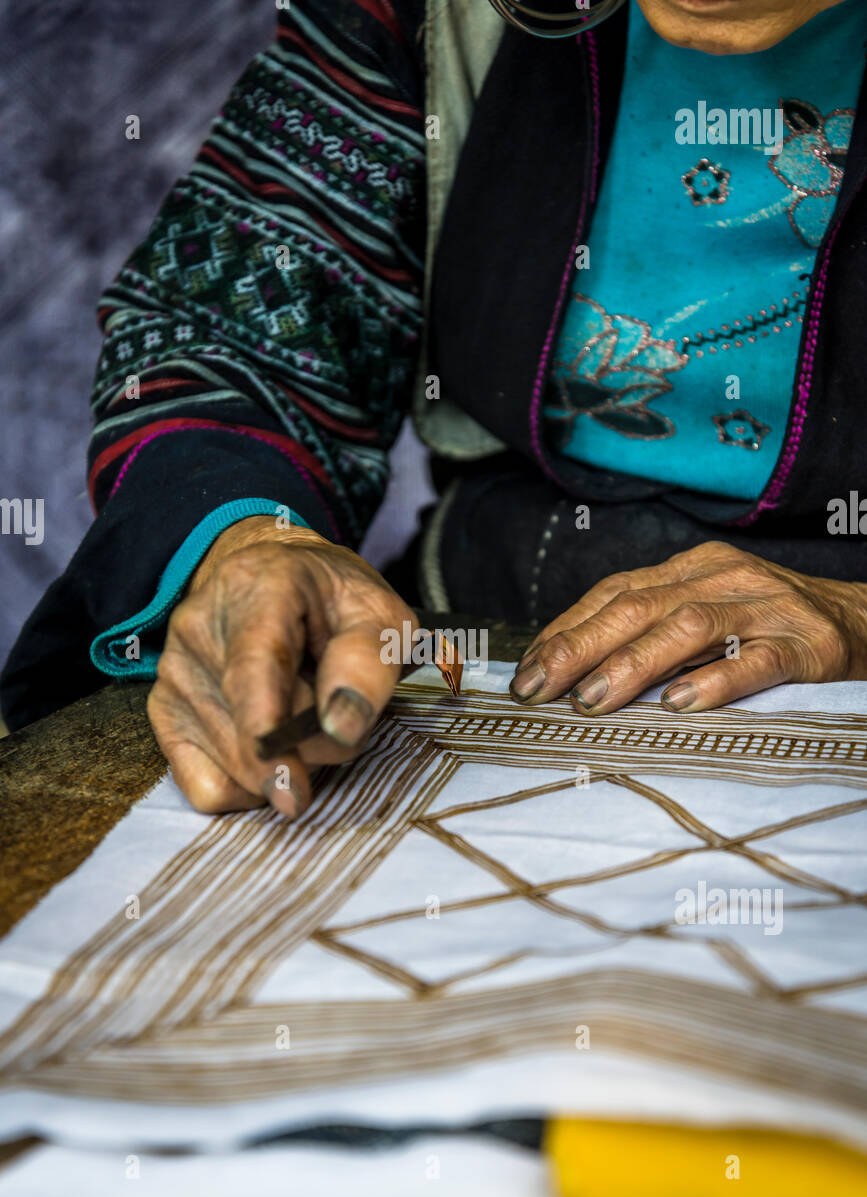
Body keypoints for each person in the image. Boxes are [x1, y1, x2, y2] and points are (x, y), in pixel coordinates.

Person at [3, 0, 866, 822]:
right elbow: (230, 326)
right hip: (484, 646)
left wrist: (853, 617)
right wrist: (248, 545)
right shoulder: (428, 16)